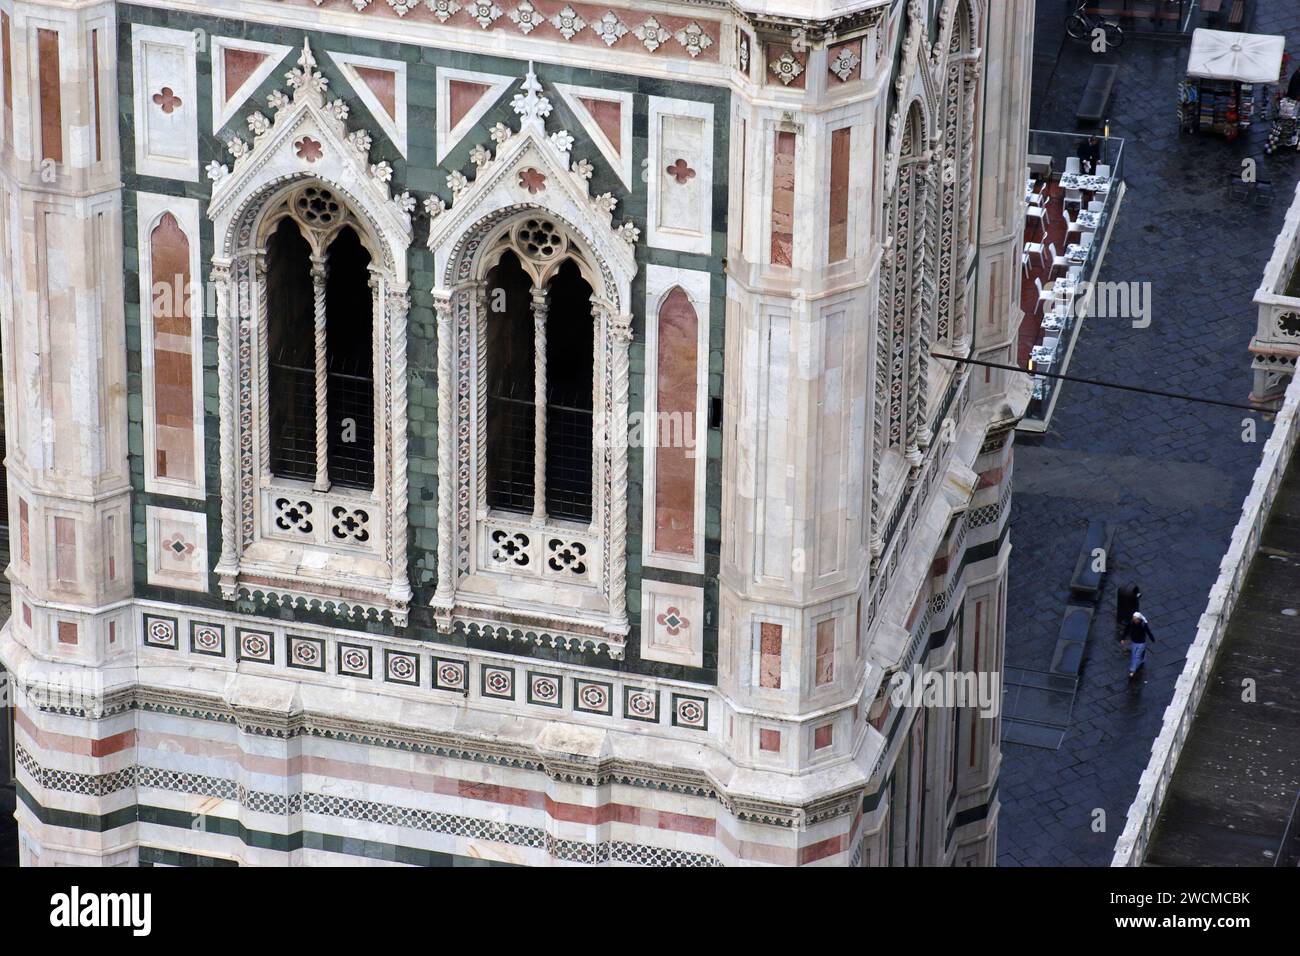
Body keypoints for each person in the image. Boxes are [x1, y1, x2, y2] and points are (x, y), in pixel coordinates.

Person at [1126, 612, 1155, 680]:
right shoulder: (1132, 623)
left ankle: (1132, 670)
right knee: (1134, 654)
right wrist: (1123, 638)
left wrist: (1152, 638)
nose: (1134, 620)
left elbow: (1148, 632)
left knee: (1136, 656)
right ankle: (1143, 659)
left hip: (1141, 642)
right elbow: (1127, 629)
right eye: (1133, 619)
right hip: (1134, 642)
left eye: (1135, 619)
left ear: (1138, 619)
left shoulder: (1143, 624)